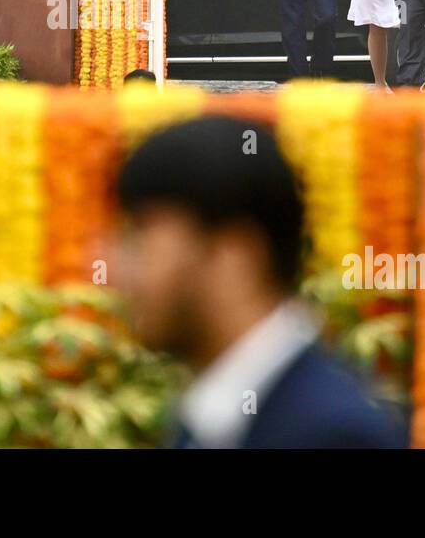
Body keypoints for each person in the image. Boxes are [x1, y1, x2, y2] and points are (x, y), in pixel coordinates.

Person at [115, 115, 406, 448]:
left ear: (233, 256)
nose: (120, 269)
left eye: (141, 236)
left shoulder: (333, 433)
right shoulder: (212, 416)